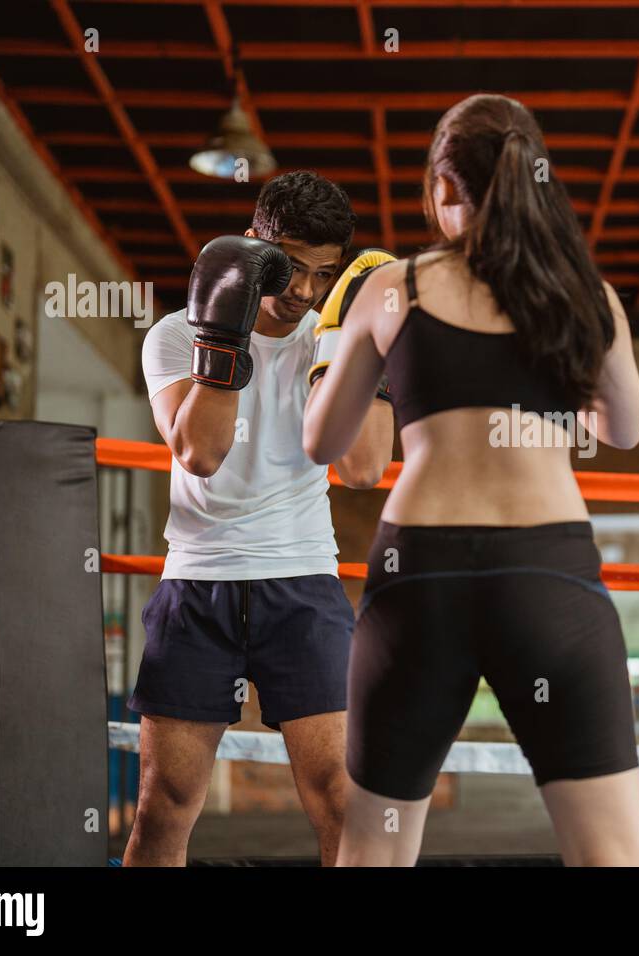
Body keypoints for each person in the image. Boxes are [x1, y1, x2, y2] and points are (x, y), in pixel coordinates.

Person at [302, 94, 639, 866]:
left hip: (420, 571)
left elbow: (324, 442)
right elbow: (621, 430)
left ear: (442, 187)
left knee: (375, 849)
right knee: (613, 854)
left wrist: (339, 332)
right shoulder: (585, 295)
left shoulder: (393, 285)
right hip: (547, 572)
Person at [126, 172, 393, 866]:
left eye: (323, 275)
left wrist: (365, 352)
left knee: (342, 796)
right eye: (290, 268)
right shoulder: (173, 335)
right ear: (252, 245)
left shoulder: (327, 338)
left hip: (303, 584)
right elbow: (200, 453)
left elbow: (363, 469)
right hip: (198, 586)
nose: (304, 291)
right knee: (164, 803)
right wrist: (225, 332)